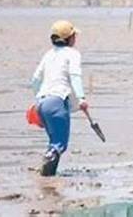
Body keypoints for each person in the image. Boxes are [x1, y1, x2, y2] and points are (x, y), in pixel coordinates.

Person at [31, 20, 89, 176]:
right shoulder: (73, 54)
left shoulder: (48, 54)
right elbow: (75, 77)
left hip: (42, 103)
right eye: (74, 35)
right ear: (69, 38)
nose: (75, 38)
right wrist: (82, 98)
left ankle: (47, 174)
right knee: (59, 145)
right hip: (57, 102)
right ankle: (47, 178)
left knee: (53, 142)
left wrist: (38, 100)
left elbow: (35, 80)